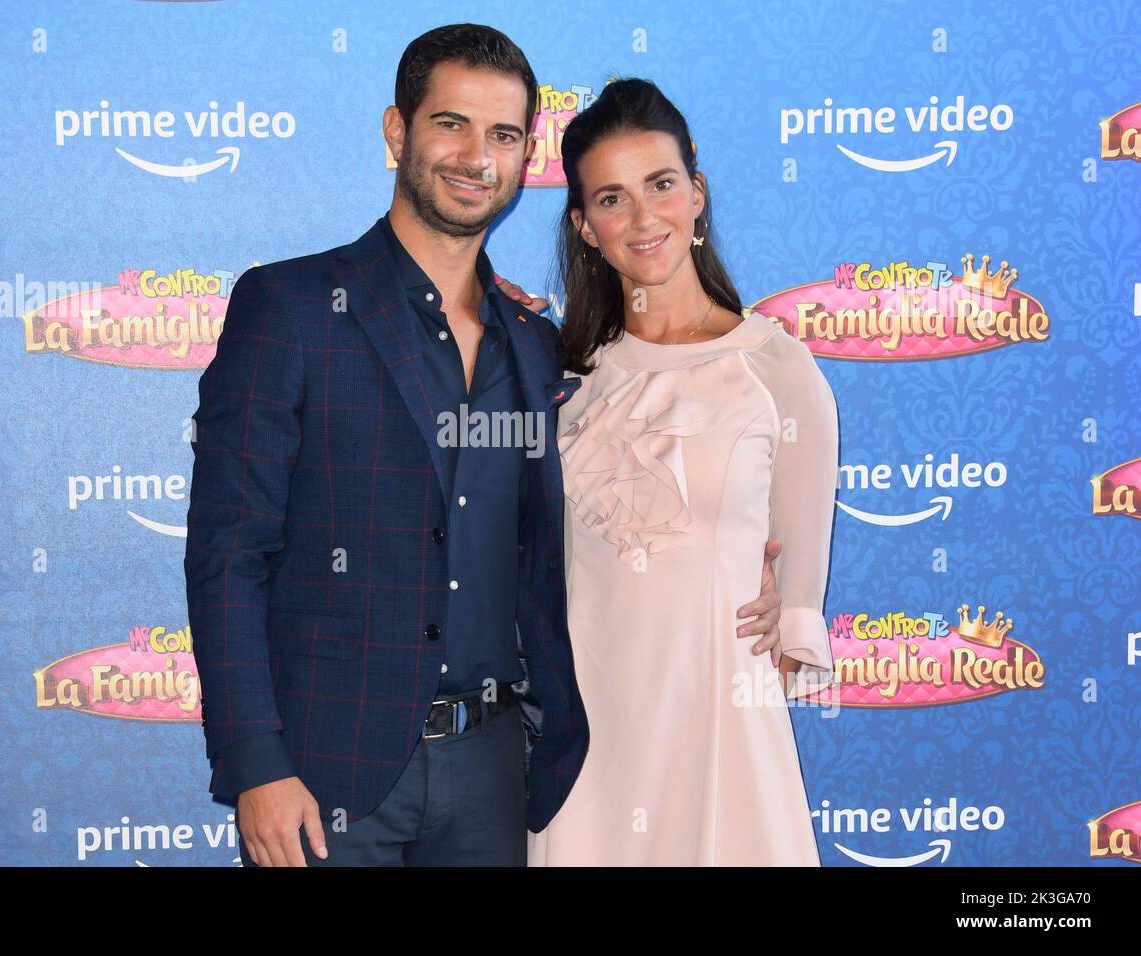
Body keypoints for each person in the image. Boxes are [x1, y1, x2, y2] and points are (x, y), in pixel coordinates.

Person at [185, 25, 784, 867]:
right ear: (398, 131)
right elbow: (228, 551)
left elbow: (585, 523)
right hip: (324, 780)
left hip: (497, 778)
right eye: (451, 124)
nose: (476, 155)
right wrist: (256, 763)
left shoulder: (539, 350)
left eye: (503, 134)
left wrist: (735, 558)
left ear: (526, 155)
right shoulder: (292, 307)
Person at [524, 78, 840, 866]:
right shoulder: (555, 379)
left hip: (720, 733)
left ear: (696, 194)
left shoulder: (778, 368)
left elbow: (795, 612)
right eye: (612, 198)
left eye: (661, 184)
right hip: (586, 743)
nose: (643, 218)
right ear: (584, 226)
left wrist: (784, 606)